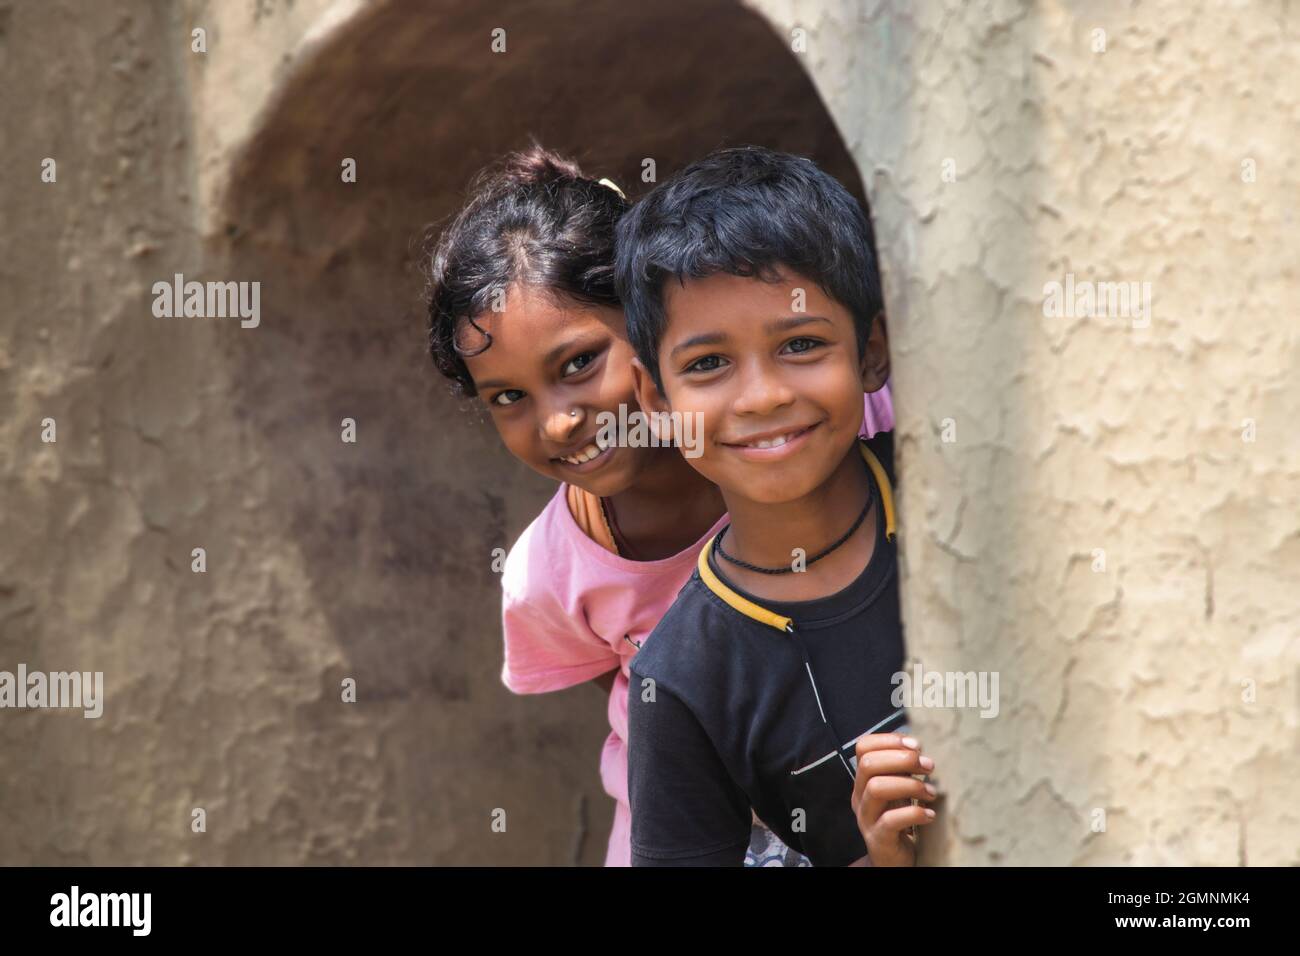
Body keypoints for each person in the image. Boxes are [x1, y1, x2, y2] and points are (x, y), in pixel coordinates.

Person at [424, 142, 895, 865]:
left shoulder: (835, 422)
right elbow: (652, 712)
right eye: (510, 397)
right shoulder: (551, 576)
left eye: (580, 362)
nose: (559, 421)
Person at [618, 145, 937, 866]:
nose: (762, 396)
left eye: (800, 343)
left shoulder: (952, 498)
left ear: (872, 351)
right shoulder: (680, 682)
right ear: (655, 400)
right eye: (708, 364)